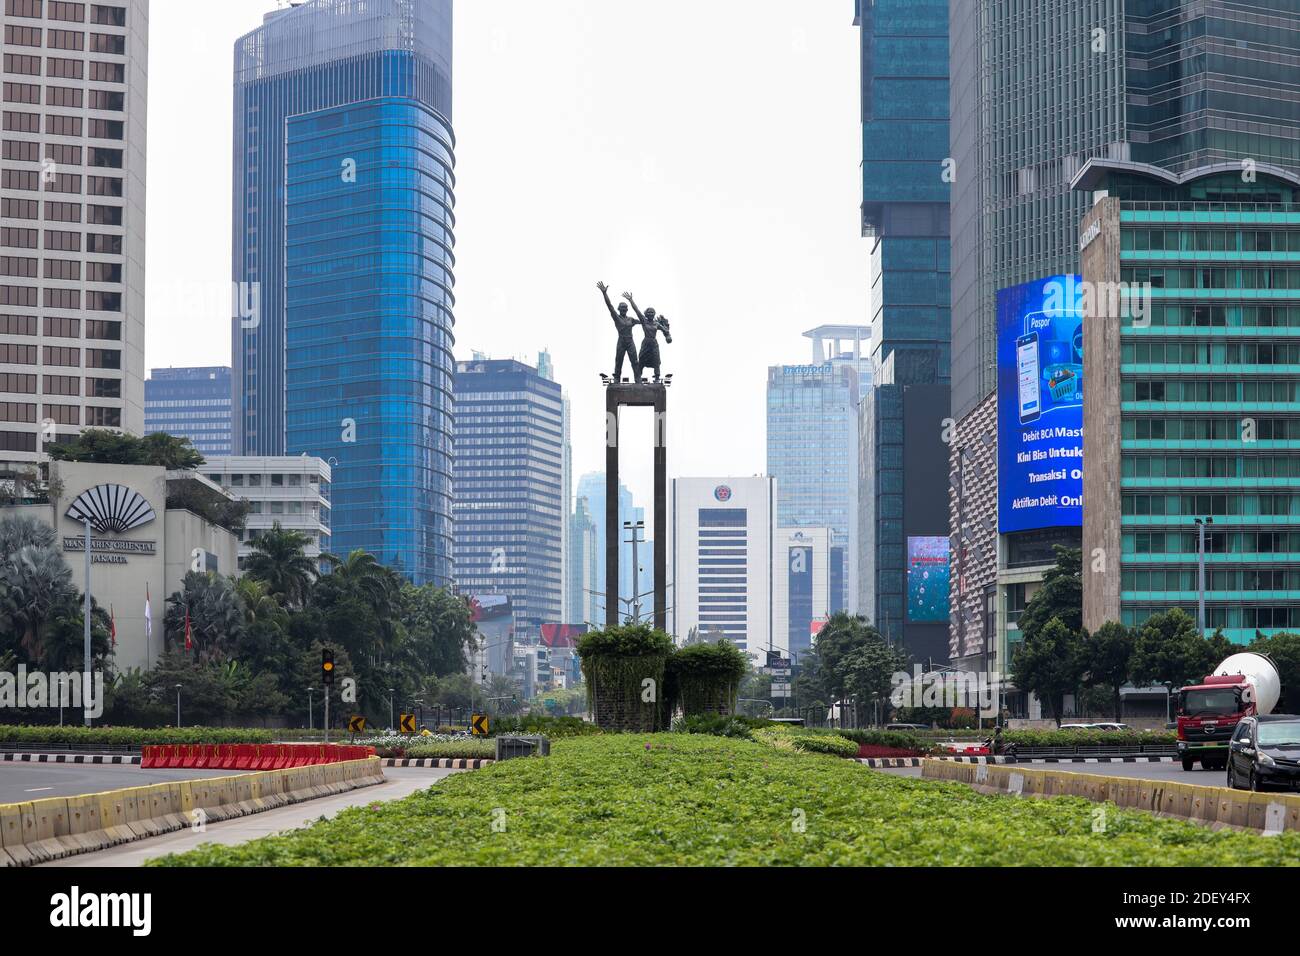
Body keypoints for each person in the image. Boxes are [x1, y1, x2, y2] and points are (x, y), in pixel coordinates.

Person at [622, 291, 672, 383]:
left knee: (656, 360)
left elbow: (666, 331)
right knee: (641, 360)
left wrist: (668, 335)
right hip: (646, 343)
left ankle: (657, 378)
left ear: (654, 314)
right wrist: (631, 300)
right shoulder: (644, 321)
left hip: (654, 343)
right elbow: (637, 310)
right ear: (646, 314)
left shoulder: (656, 324)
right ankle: (638, 378)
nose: (650, 314)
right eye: (649, 312)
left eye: (652, 312)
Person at [598, 281, 640, 381]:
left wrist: (654, 322)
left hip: (630, 341)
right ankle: (617, 377)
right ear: (619, 309)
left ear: (627, 309)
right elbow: (609, 306)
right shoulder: (616, 317)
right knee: (619, 360)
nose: (623, 309)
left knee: (634, 360)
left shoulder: (631, 319)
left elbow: (643, 321)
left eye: (625, 307)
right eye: (622, 307)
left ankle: (638, 378)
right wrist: (604, 293)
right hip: (621, 341)